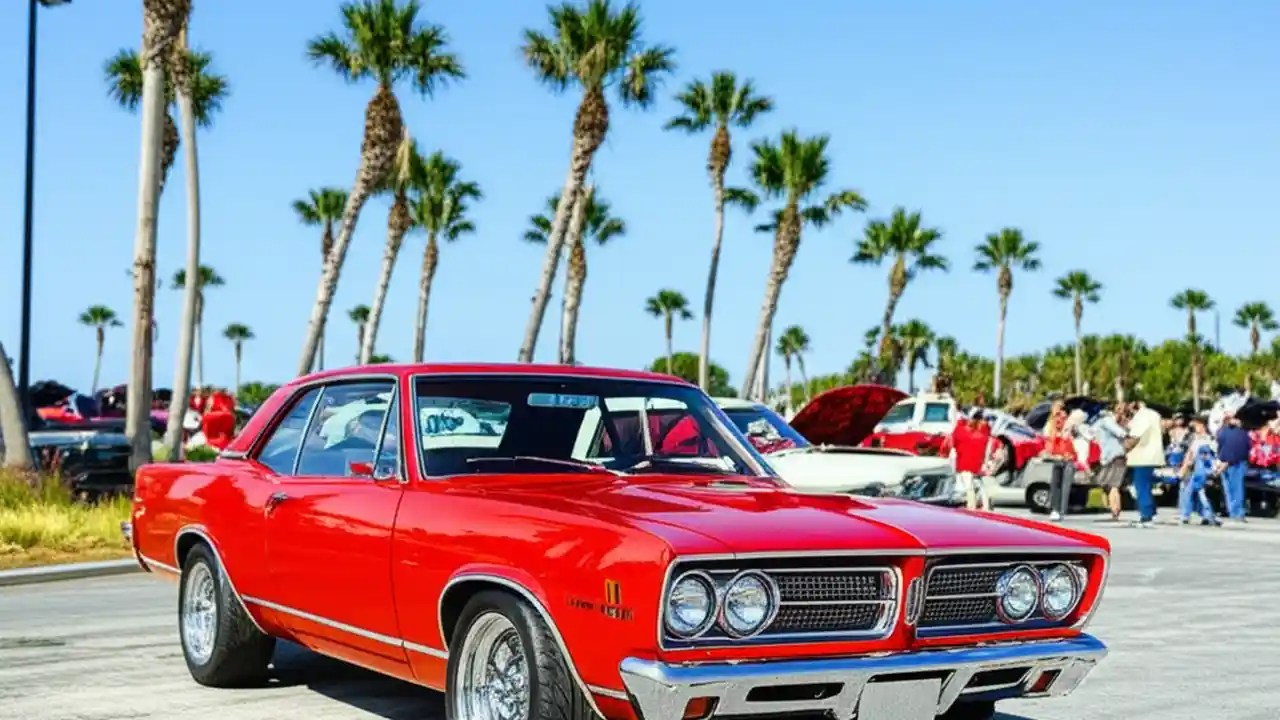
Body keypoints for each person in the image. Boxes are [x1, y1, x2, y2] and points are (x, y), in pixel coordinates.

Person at [1124, 399, 1164, 527]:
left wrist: (1124, 448)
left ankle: (1146, 515)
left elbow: (1136, 436)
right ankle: (1151, 511)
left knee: (1141, 487)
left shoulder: (1142, 416)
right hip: (1153, 455)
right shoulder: (1154, 414)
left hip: (1142, 456)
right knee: (1146, 485)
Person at [1178, 415, 1221, 526]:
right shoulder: (1195, 438)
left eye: (1197, 425)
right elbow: (1190, 454)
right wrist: (1184, 467)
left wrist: (1215, 469)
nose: (1195, 427)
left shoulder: (1210, 439)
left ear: (1202, 426)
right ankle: (1188, 515)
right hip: (1195, 470)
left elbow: (1214, 456)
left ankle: (1206, 515)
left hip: (1204, 471)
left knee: (1201, 494)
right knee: (1190, 492)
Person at [1092, 403, 1130, 521]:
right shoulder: (1107, 421)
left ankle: (1115, 511)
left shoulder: (1106, 422)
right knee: (1108, 484)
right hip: (1110, 457)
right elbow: (1122, 433)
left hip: (1114, 457)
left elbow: (1121, 433)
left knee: (1113, 485)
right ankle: (1113, 509)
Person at [950, 409, 993, 511]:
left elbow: (955, 442)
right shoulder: (984, 433)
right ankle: (985, 506)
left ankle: (971, 506)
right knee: (979, 484)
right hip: (978, 463)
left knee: (969, 485)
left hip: (967, 462)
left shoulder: (964, 431)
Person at [1042, 401, 1076, 521]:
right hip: (1055, 457)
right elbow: (1047, 438)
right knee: (1055, 483)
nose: (1058, 412)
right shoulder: (1050, 424)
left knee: (1065, 485)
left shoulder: (1069, 423)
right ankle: (1055, 509)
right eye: (1056, 409)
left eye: (1060, 409)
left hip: (1068, 457)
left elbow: (1072, 437)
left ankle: (1061, 509)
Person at [1215, 411, 1251, 524]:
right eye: (1230, 418)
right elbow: (1219, 444)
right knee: (1228, 489)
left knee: (1237, 487)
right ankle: (1233, 511)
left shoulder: (1243, 432)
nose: (1233, 420)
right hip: (1225, 462)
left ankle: (1238, 512)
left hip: (1238, 463)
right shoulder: (1222, 431)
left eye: (1234, 418)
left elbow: (1245, 448)